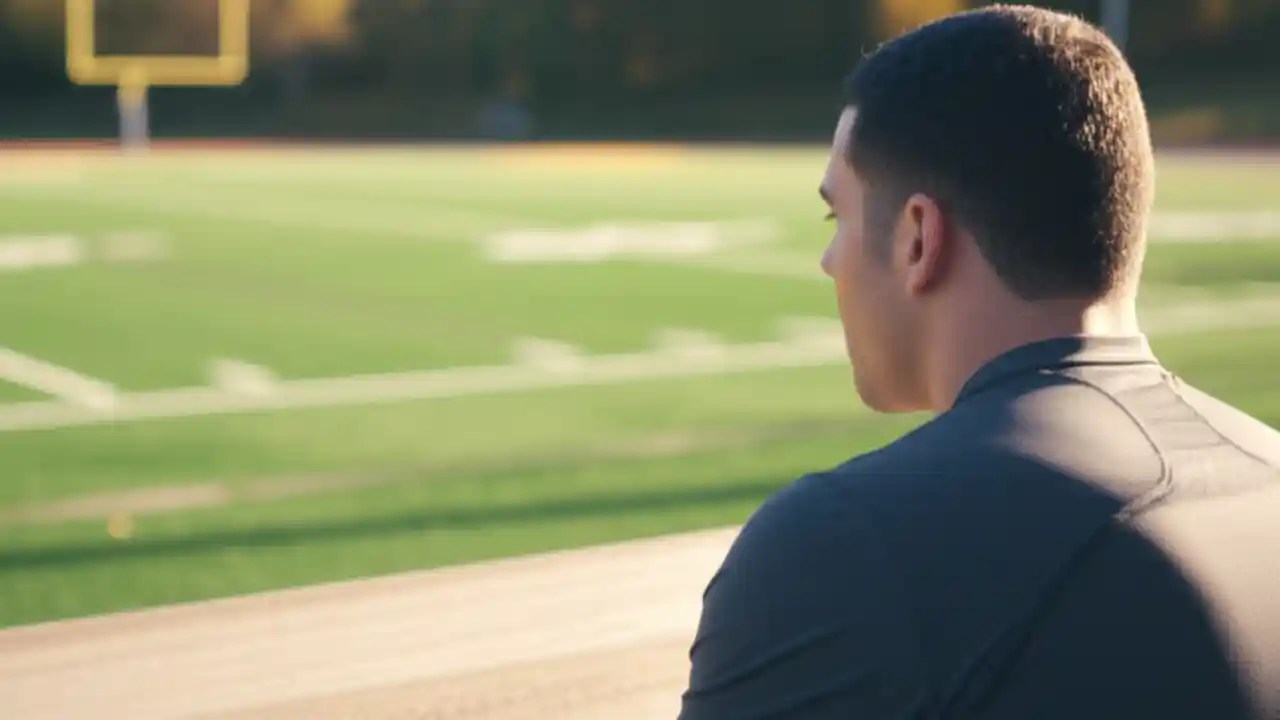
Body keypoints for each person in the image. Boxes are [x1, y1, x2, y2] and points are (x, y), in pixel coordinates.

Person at [680, 5, 1280, 719]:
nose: (829, 260)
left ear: (918, 238)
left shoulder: (844, 546)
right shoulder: (1267, 473)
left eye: (836, 218)